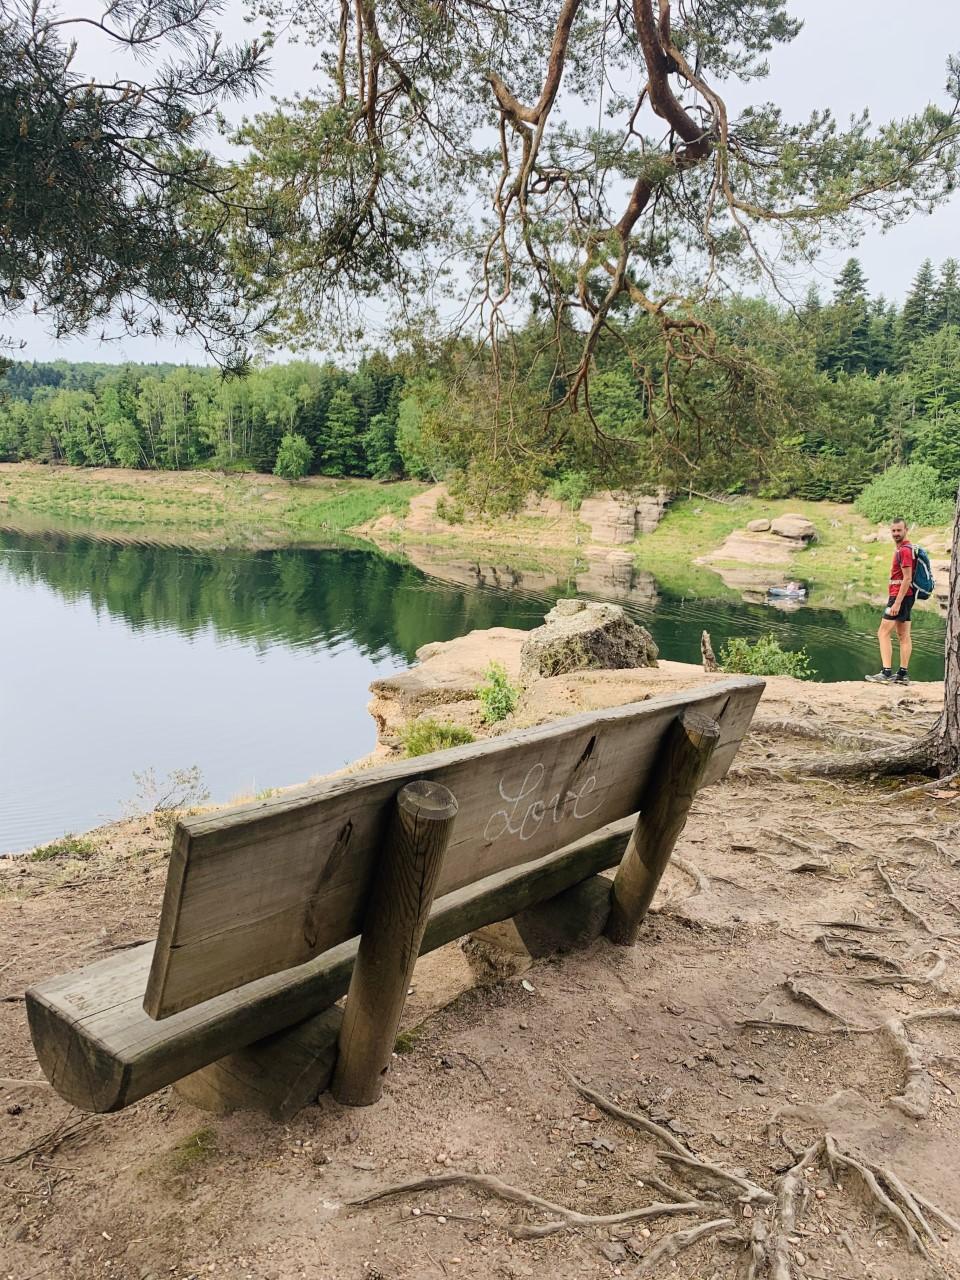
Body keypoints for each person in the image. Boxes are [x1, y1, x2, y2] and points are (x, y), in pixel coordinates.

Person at [865, 517, 914, 685]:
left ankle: (886, 673)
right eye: (893, 530)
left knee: (883, 632)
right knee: (903, 635)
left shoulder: (904, 551)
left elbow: (907, 578)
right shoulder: (906, 549)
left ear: (906, 530)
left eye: (899, 530)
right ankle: (902, 675)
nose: (896, 533)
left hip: (899, 596)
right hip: (906, 596)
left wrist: (897, 603)